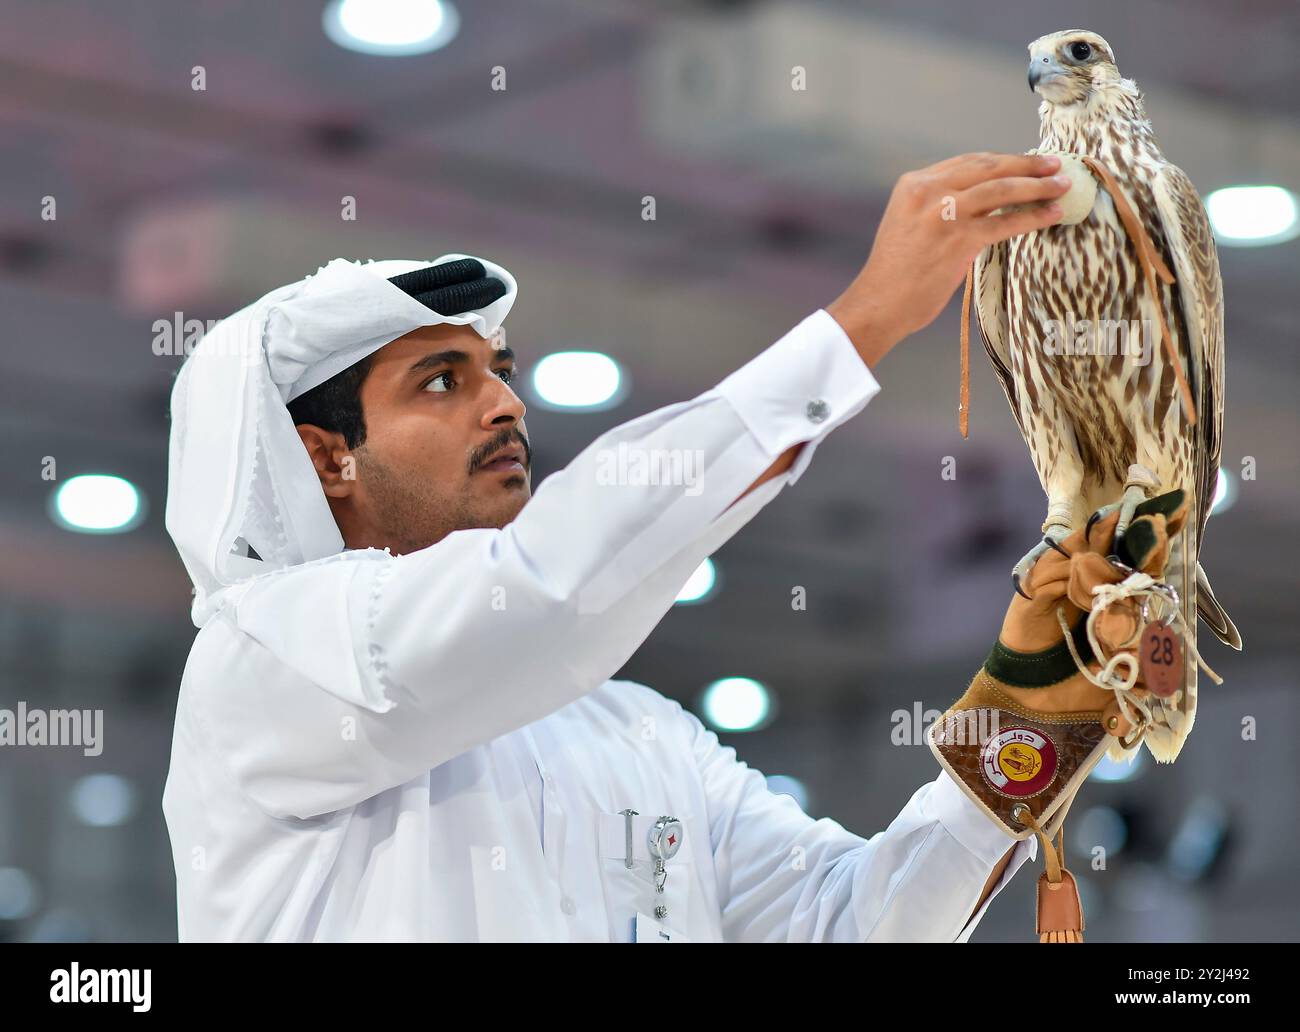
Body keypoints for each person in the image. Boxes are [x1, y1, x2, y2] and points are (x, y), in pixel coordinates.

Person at [161, 152, 1073, 941]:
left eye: (501, 372)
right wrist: (865, 321)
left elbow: (848, 922)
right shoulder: (266, 662)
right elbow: (546, 584)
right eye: (441, 380)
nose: (506, 404)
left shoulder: (639, 732)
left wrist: (1029, 714)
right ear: (328, 460)